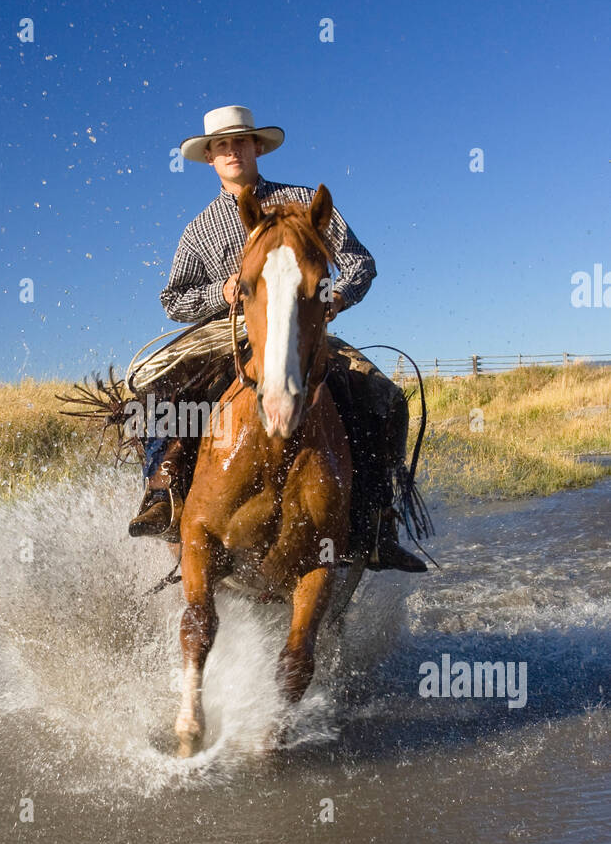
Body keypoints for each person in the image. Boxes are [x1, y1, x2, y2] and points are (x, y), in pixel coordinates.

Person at [127, 105, 426, 573]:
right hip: (225, 332)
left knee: (382, 396)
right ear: (210, 158)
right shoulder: (199, 229)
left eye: (240, 141)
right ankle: (162, 490)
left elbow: (359, 262)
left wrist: (336, 296)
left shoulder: (306, 202)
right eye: (221, 145)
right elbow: (173, 299)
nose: (232, 151)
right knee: (157, 389)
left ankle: (377, 518)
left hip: (303, 328)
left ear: (256, 147)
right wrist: (220, 291)